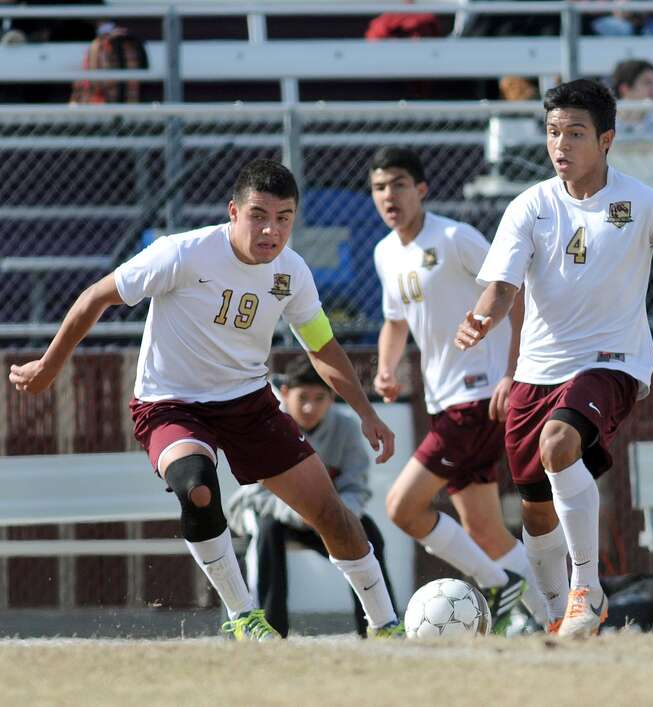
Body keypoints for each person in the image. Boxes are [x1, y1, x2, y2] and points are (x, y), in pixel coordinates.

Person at [8, 159, 405, 640]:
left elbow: (321, 347)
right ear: (233, 212)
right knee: (196, 486)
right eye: (259, 215)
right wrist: (49, 366)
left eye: (284, 218)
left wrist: (366, 413)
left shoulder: (292, 272)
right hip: (170, 403)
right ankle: (244, 617)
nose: (271, 230)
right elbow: (97, 296)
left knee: (332, 513)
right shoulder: (183, 253)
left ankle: (386, 625)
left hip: (249, 403)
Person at [455, 78, 653, 637]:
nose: (561, 145)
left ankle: (588, 586)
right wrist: (482, 314)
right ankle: (561, 617)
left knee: (559, 446)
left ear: (607, 140)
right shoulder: (529, 205)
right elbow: (502, 286)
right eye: (553, 132)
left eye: (575, 133)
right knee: (534, 512)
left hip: (612, 362)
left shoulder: (647, 204)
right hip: (537, 372)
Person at [368, 146, 550, 634]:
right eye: (380, 187)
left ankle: (494, 584)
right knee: (485, 530)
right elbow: (394, 322)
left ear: (422, 190)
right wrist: (387, 369)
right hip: (443, 400)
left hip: (477, 398)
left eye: (399, 184)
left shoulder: (454, 237)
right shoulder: (386, 253)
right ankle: (558, 621)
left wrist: (513, 373)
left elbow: (515, 296)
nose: (390, 196)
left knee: (402, 508)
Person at [228, 359, 396, 638]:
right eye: (302, 397)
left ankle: (380, 624)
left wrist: (337, 515)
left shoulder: (346, 428)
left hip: (325, 517)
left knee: (368, 533)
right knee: (265, 531)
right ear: (284, 394)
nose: (310, 407)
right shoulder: (267, 426)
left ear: (331, 398)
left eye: (319, 398)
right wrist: (302, 513)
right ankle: (268, 631)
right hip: (272, 513)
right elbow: (255, 491)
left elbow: (356, 487)